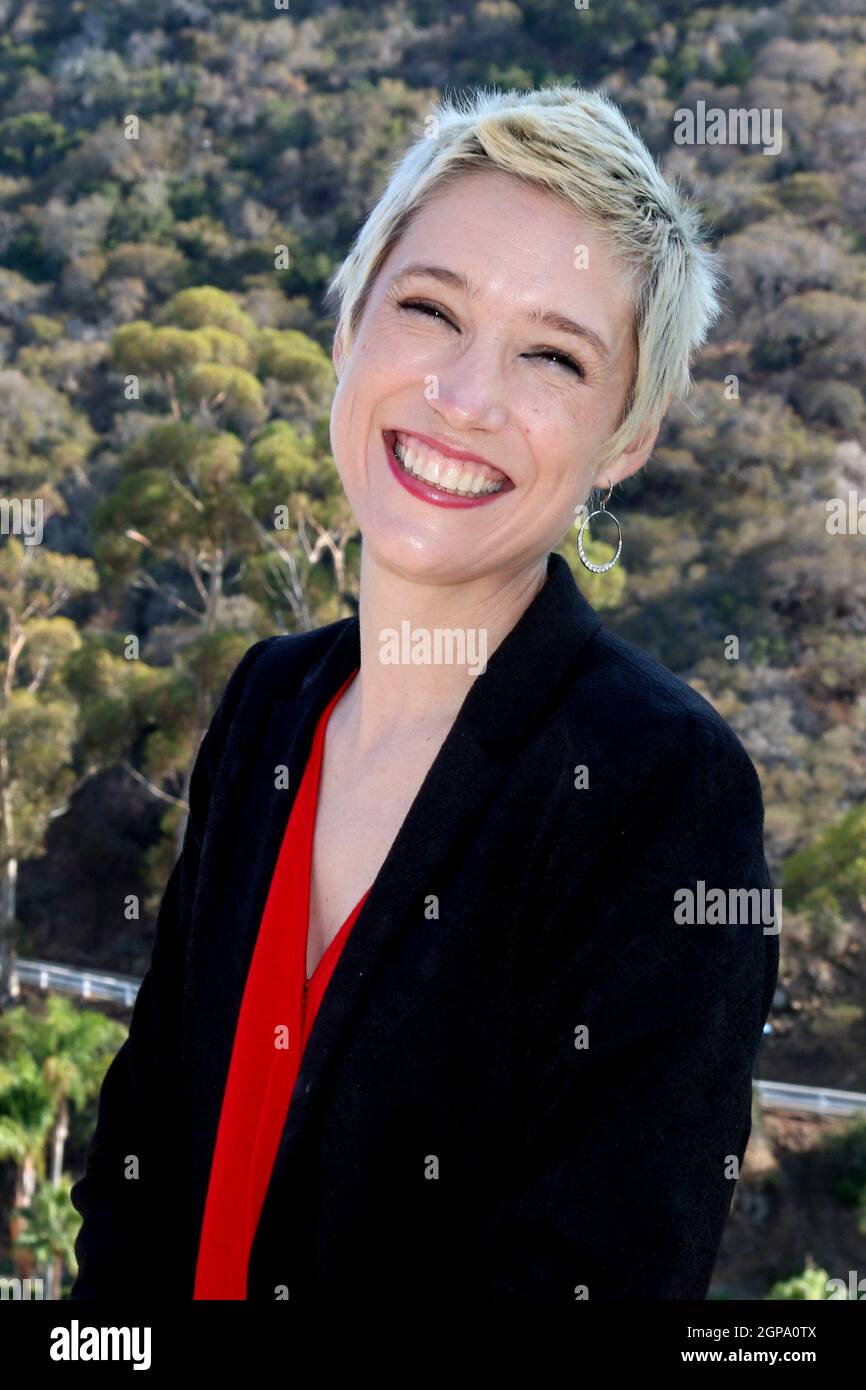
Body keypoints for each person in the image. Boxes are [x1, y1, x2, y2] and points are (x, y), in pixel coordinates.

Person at [70, 83, 779, 1304]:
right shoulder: (267, 705)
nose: (463, 396)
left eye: (552, 355)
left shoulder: (657, 787)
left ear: (627, 438)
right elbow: (140, 1172)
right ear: (348, 323)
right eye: (427, 308)